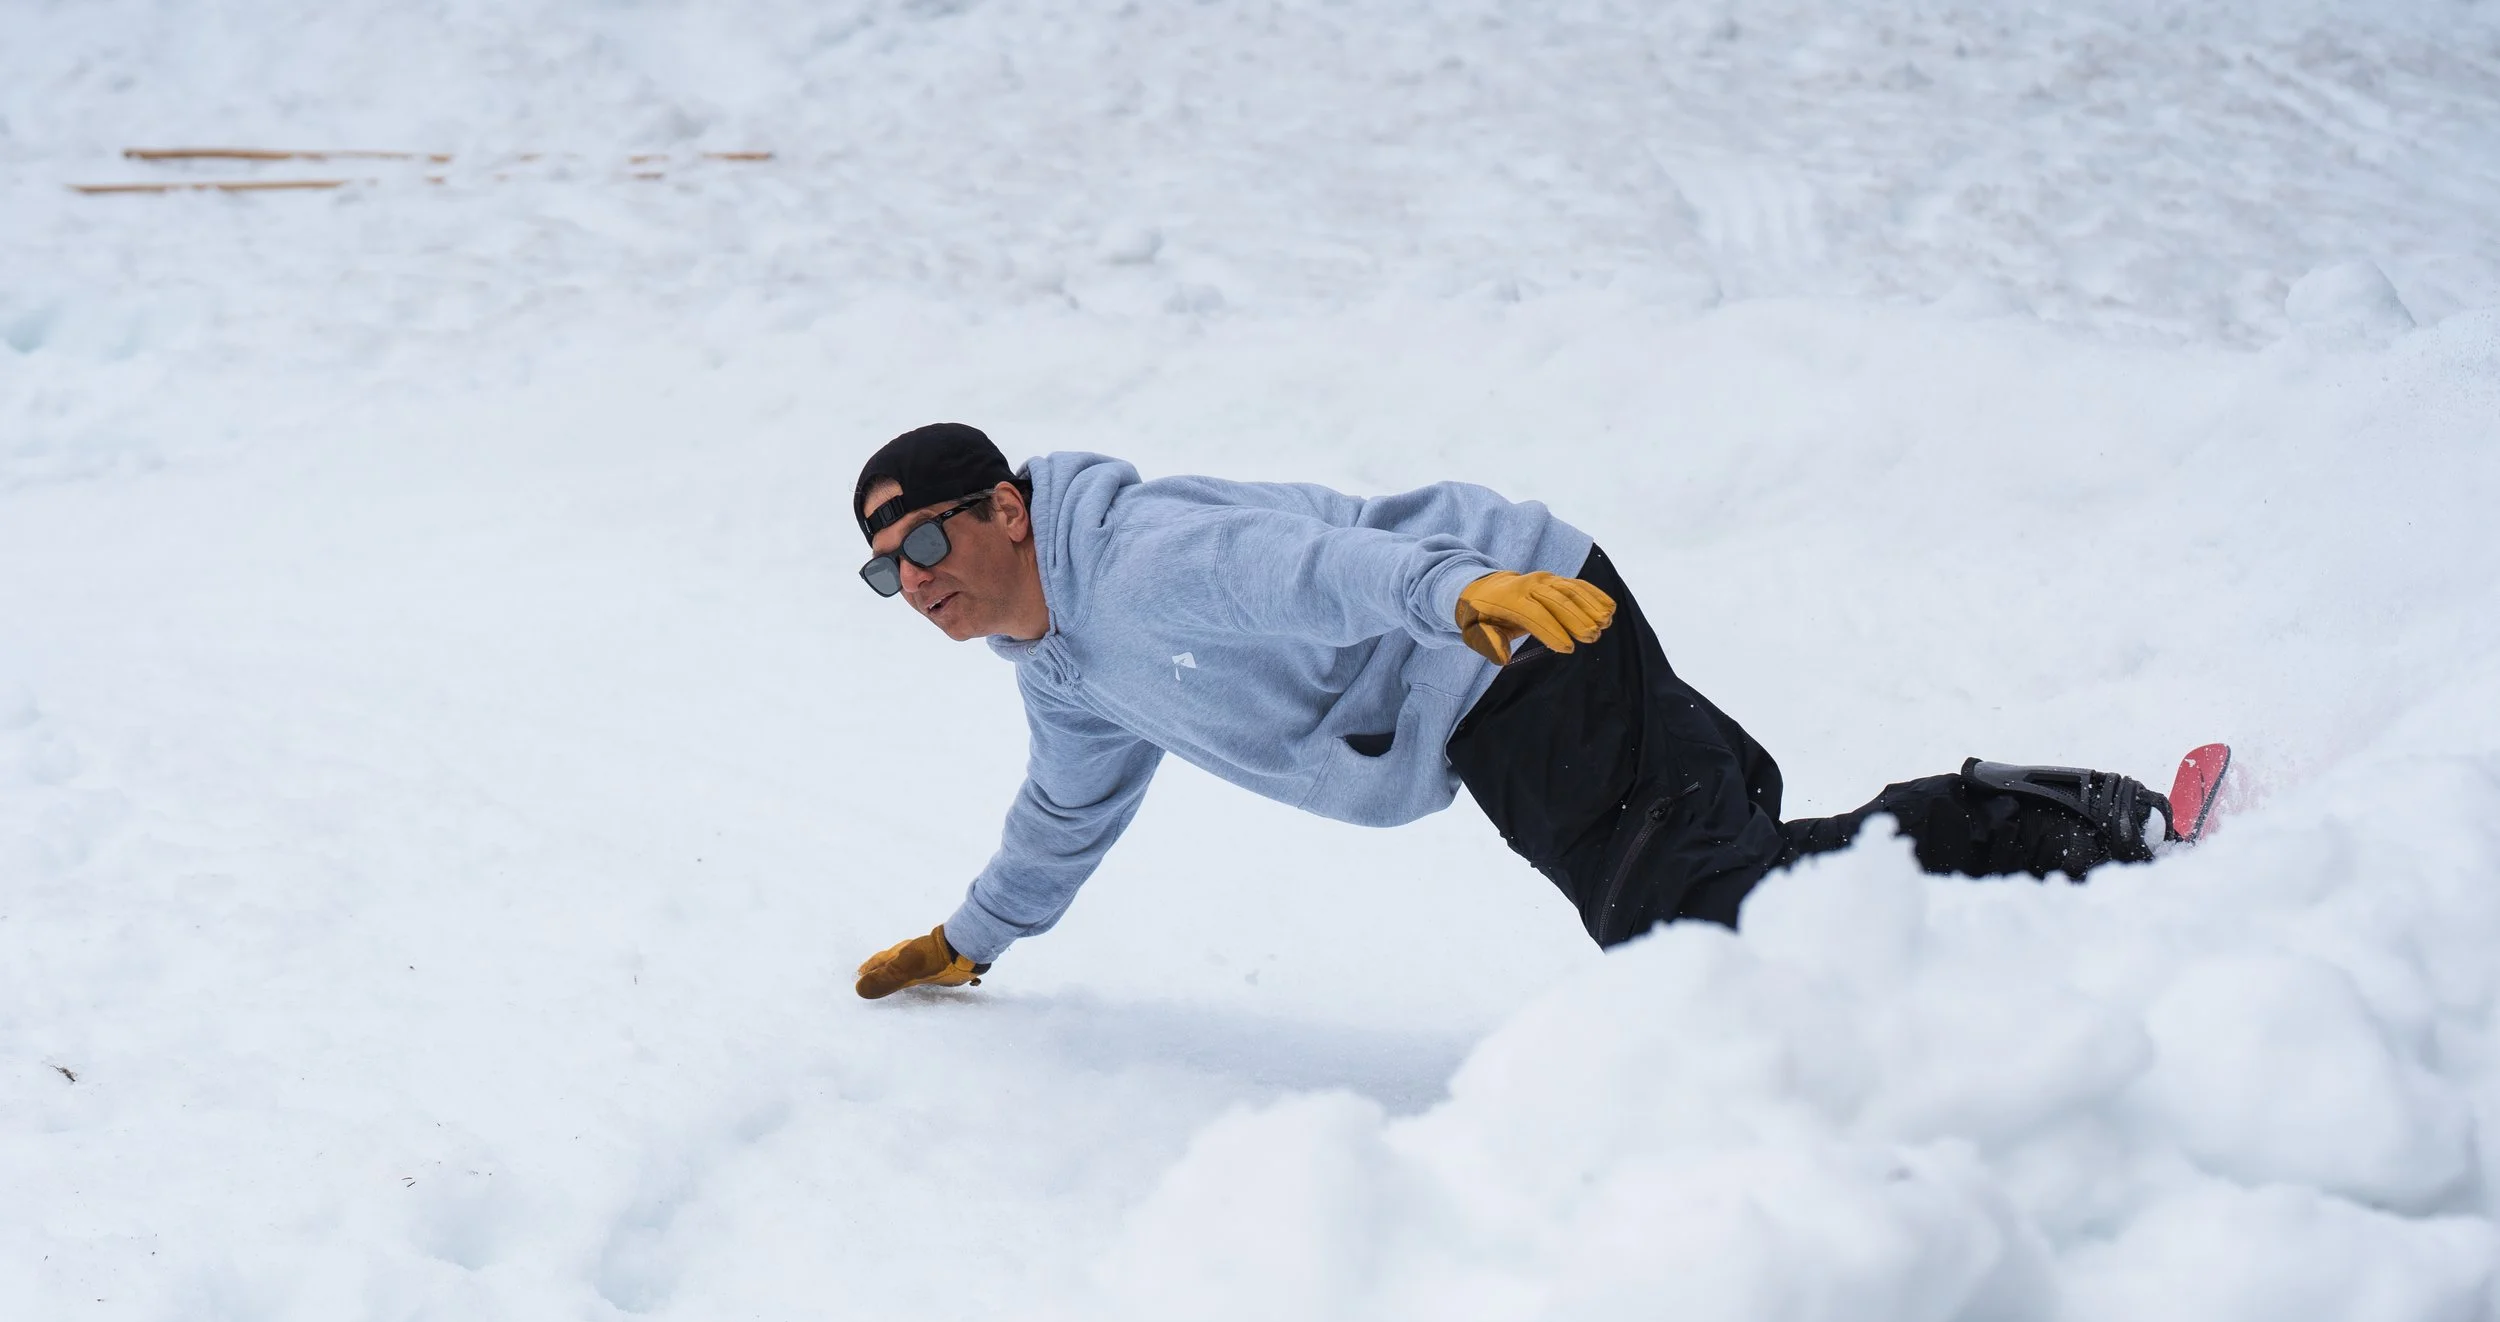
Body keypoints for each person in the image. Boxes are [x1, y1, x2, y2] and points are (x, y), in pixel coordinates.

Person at [850, 423, 2171, 998]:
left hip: (1510, 635)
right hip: (1484, 673)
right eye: (882, 566)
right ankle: (2003, 873)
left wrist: (1461, 592)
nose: (911, 583)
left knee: (1679, 924)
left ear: (1005, 510)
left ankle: (2059, 828)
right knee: (1713, 896)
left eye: (921, 544)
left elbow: (1314, 570)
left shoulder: (1139, 560)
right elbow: (1065, 808)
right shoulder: (1065, 660)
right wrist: (971, 937)